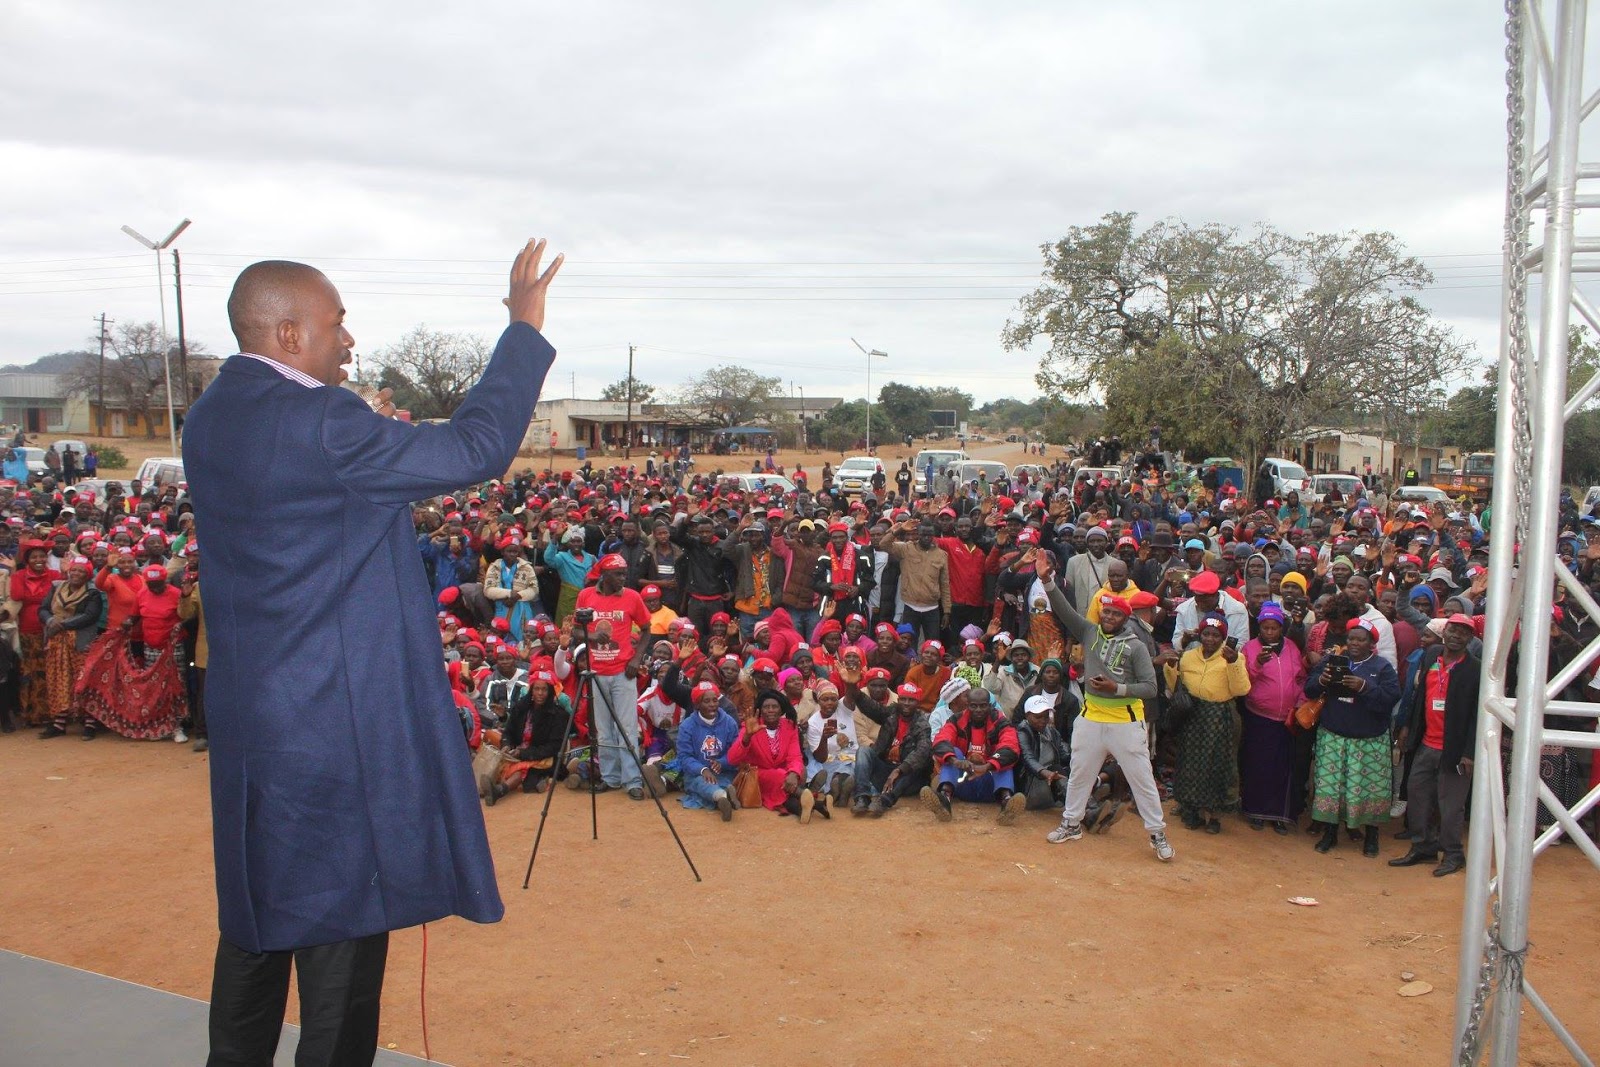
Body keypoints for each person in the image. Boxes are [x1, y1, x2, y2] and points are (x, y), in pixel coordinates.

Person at [182, 240, 562, 1065]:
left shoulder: (211, 414)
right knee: (342, 945)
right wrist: (522, 330)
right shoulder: (322, 421)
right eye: (336, 322)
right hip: (332, 724)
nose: (349, 340)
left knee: (255, 922)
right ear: (286, 333)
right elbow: (474, 450)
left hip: (254, 717)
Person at [1034, 558, 1174, 863]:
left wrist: (1117, 688)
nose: (1108, 616)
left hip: (1125, 721)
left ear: (1125, 617)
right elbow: (1063, 610)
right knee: (1079, 775)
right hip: (1091, 719)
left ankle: (1157, 834)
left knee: (1142, 780)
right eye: (1105, 612)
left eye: (1115, 613)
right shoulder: (1089, 632)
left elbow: (1150, 688)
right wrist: (1047, 581)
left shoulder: (1137, 646)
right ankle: (1071, 823)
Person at [1390, 614, 1480, 876]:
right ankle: (1423, 847)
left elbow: (1477, 714)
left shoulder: (1474, 669)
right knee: (1417, 797)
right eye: (1452, 630)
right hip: (1426, 744)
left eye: (1463, 633)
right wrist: (1407, 726)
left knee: (1451, 807)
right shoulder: (1431, 655)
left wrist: (1469, 752)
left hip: (1454, 750)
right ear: (1445, 631)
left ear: (1470, 639)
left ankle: (1453, 854)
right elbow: (1418, 696)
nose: (1455, 636)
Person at [1304, 617, 1400, 857]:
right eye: (1351, 638)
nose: (1355, 643)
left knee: (1369, 791)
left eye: (1361, 639)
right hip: (1333, 736)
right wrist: (1321, 680)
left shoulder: (1382, 668)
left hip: (1369, 741)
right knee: (1332, 789)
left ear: (1371, 643)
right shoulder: (1333, 661)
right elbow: (1309, 689)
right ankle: (1330, 834)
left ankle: (1371, 837)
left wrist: (1364, 687)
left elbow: (1391, 699)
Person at [574, 553, 653, 798]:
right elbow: (576, 629)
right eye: (618, 574)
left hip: (623, 672)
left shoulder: (632, 597)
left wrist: (636, 658)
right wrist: (592, 637)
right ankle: (610, 777)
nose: (623, 578)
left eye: (624, 573)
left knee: (627, 727)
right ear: (604, 575)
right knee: (603, 728)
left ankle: (632, 780)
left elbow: (647, 629)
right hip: (596, 672)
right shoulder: (586, 596)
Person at [1165, 613, 1250, 834]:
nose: (1210, 639)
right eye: (1206, 634)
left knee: (1217, 765)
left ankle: (1214, 815)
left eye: (1215, 635)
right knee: (1190, 762)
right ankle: (1191, 809)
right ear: (1200, 635)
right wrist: (1170, 667)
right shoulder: (1189, 656)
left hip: (1219, 716)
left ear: (1223, 637)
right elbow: (1177, 685)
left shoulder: (1234, 657)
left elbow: (1242, 690)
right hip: (1193, 715)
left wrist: (1232, 663)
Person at [1239, 602, 1307, 832]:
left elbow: (1300, 678)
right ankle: (1256, 810)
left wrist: (1299, 702)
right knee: (1258, 765)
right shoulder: (1249, 649)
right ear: (1259, 627)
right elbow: (1243, 681)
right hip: (1259, 717)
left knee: (1283, 768)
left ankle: (1279, 814)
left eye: (1274, 628)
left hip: (1287, 719)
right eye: (1265, 628)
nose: (1270, 632)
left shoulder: (1292, 648)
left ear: (1281, 628)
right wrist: (1257, 664)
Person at [922, 687, 1025, 823]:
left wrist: (988, 766)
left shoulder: (1001, 722)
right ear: (967, 705)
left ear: (990, 706)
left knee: (1002, 757)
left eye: (983, 706)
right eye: (973, 706)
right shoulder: (956, 720)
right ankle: (944, 799)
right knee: (952, 751)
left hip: (991, 784)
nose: (978, 710)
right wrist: (955, 761)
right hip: (964, 781)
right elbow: (941, 740)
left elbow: (1011, 746)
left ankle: (1006, 803)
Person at [36, 556, 105, 739]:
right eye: (74, 570)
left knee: (84, 680)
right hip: (56, 642)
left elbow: (90, 615)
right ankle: (59, 723)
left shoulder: (93, 592)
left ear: (87, 575)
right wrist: (51, 620)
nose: (76, 573)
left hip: (80, 642)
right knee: (58, 680)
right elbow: (43, 609)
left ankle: (89, 723)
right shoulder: (56, 586)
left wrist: (63, 624)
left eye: (81, 571)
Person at [728, 689, 823, 821]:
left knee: (800, 769)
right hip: (757, 774)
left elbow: (795, 756)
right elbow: (732, 759)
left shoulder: (790, 726)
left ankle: (803, 807)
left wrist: (793, 773)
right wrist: (747, 737)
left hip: (783, 773)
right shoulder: (750, 726)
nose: (771, 710)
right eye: (766, 707)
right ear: (760, 710)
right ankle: (810, 797)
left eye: (775, 707)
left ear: (781, 710)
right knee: (778, 775)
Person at [849, 680, 932, 815]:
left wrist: (899, 770)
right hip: (885, 772)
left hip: (908, 779)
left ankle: (884, 801)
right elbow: (871, 707)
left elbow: (922, 752)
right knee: (864, 751)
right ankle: (862, 798)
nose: (906, 703)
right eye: (903, 699)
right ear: (898, 699)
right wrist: (852, 685)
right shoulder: (891, 713)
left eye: (911, 700)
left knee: (919, 764)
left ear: (917, 703)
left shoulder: (922, 724)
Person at [674, 680, 743, 820]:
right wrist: (702, 770)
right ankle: (722, 796)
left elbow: (734, 751)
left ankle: (721, 795)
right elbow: (684, 756)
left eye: (715, 700)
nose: (712, 705)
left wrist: (722, 762)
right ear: (697, 704)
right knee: (700, 782)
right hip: (697, 773)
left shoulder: (729, 722)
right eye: (706, 701)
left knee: (721, 782)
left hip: (724, 771)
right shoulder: (687, 726)